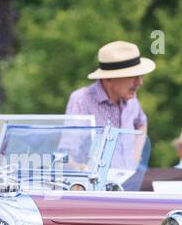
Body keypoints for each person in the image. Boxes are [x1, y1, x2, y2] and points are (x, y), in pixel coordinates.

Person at [65, 41, 154, 172]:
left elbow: (142, 123)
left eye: (140, 76)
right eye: (133, 76)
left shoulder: (131, 99)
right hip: (99, 190)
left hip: (129, 185)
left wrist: (134, 161)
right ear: (108, 80)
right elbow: (67, 155)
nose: (140, 82)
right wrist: (85, 173)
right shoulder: (82, 100)